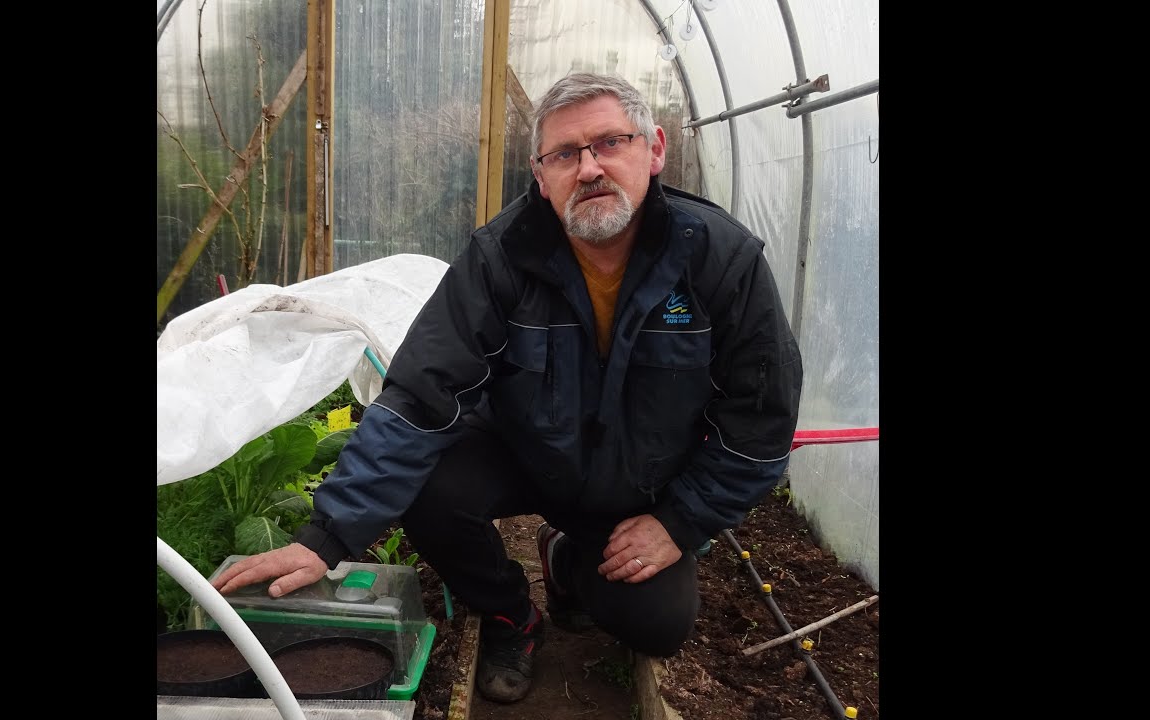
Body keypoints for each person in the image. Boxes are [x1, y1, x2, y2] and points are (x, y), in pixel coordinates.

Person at [212, 71, 803, 704]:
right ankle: (509, 615)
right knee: (429, 487)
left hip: (641, 488)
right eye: (565, 154)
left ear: (654, 150)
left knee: (655, 626)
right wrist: (324, 538)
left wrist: (680, 520)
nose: (589, 168)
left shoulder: (717, 257)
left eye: (610, 143)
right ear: (540, 174)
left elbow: (760, 416)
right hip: (531, 457)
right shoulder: (501, 259)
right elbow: (419, 397)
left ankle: (569, 559)